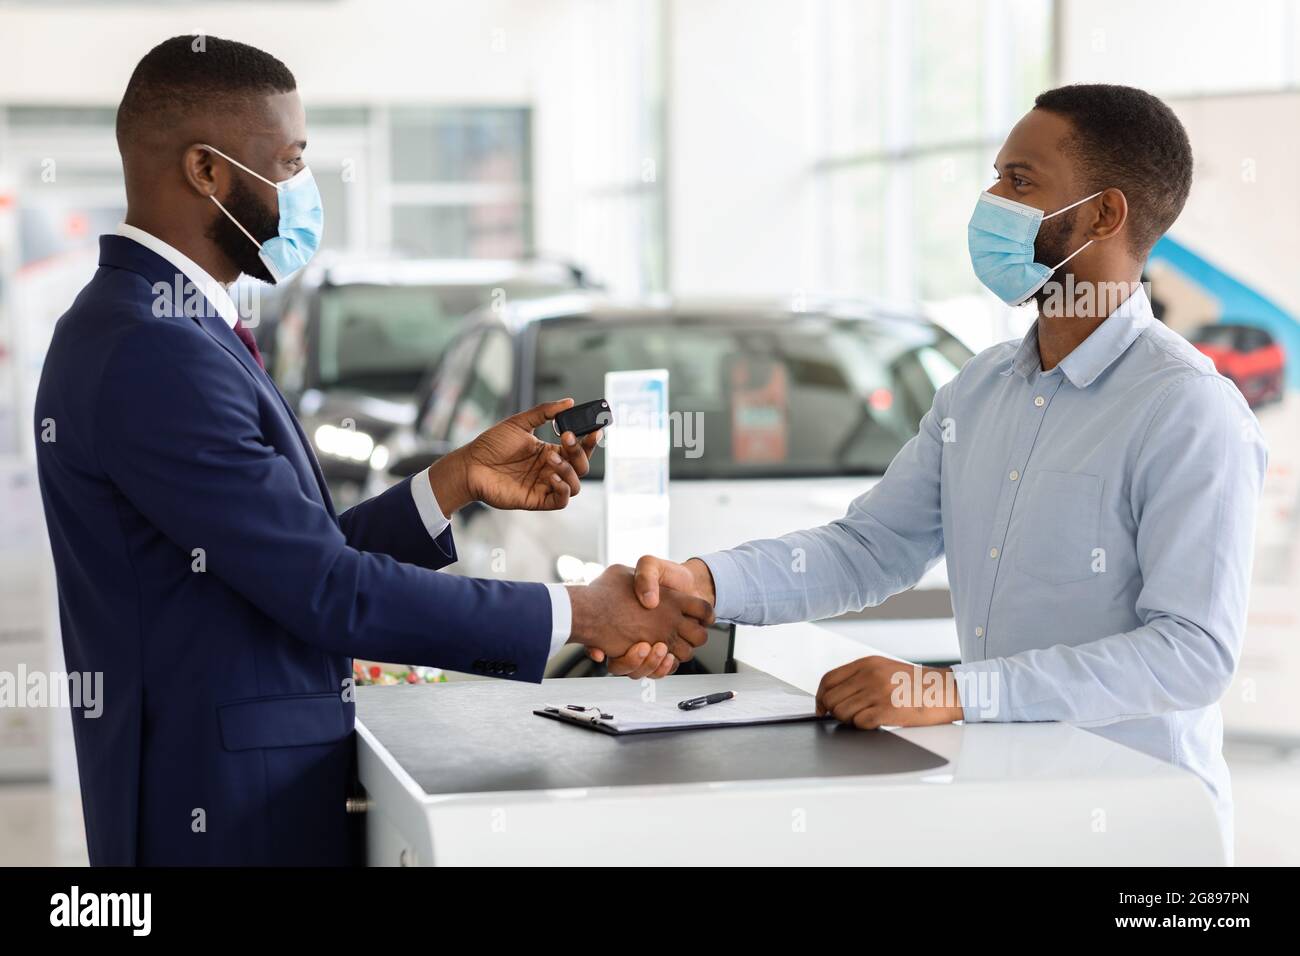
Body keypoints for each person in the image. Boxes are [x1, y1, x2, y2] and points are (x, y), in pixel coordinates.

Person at [33, 35, 711, 866]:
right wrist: (581, 611)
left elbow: (279, 560)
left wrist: (451, 482)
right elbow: (324, 589)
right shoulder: (152, 347)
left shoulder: (170, 324)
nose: (300, 191)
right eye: (286, 163)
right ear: (206, 172)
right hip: (213, 806)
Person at [627, 84, 1266, 858]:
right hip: (1002, 805)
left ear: (1105, 214)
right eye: (996, 176)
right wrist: (701, 582)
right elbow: (870, 547)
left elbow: (1190, 653)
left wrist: (951, 691)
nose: (991, 200)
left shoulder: (1187, 409)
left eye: (1020, 182)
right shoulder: (982, 386)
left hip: (1141, 830)